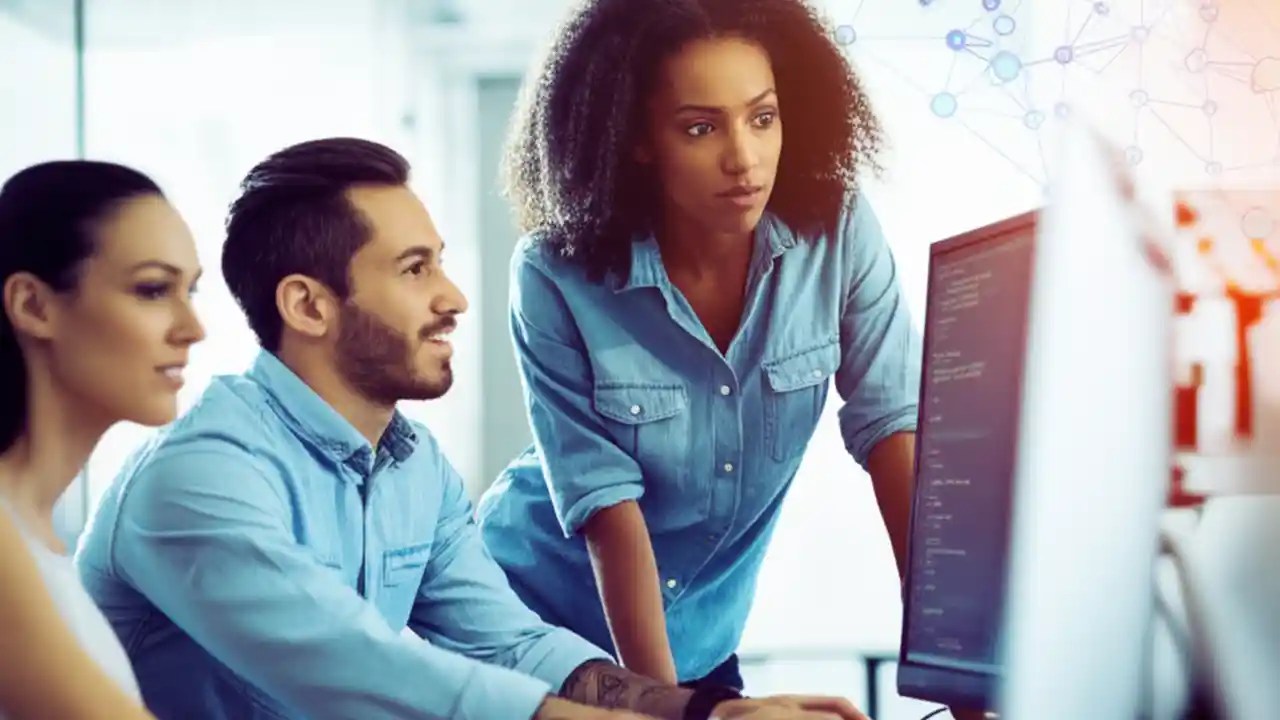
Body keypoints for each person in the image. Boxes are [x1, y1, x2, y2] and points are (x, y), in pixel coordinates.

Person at [75, 137, 867, 720]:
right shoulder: (201, 475)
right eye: (415, 269)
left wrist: (705, 712)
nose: (453, 297)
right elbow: (358, 668)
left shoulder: (416, 471)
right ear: (308, 305)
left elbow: (514, 646)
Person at [476, 0, 920, 694]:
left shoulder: (839, 233)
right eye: (700, 127)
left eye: (762, 117)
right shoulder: (552, 272)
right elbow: (605, 507)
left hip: (702, 643)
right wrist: (666, 710)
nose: (743, 158)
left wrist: (956, 670)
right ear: (638, 139)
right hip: (538, 632)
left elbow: (897, 430)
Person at [0, 160, 205, 719]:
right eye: (153, 289)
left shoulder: (37, 537)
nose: (193, 327)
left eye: (191, 290)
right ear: (33, 306)